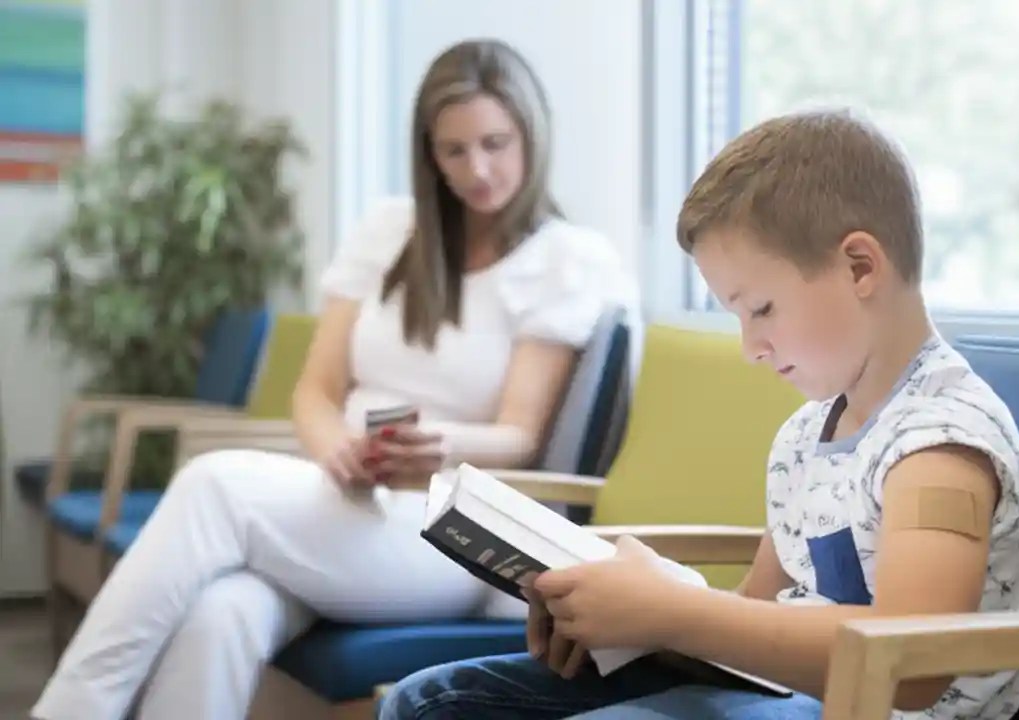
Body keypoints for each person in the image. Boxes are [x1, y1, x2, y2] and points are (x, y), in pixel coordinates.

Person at [32, 38, 633, 720]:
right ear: (427, 153)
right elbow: (315, 393)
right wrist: (334, 449)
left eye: (497, 143)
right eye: (454, 151)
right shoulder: (387, 231)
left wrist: (436, 444)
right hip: (342, 500)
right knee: (223, 611)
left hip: (450, 530)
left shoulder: (566, 258)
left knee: (211, 483)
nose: (478, 169)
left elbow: (519, 436)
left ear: (533, 133)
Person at [378, 110, 1019, 720]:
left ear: (859, 266)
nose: (750, 347)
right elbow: (750, 624)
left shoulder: (939, 445)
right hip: (782, 695)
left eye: (760, 309)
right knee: (435, 704)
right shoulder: (803, 439)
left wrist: (677, 611)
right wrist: (624, 622)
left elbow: (912, 665)